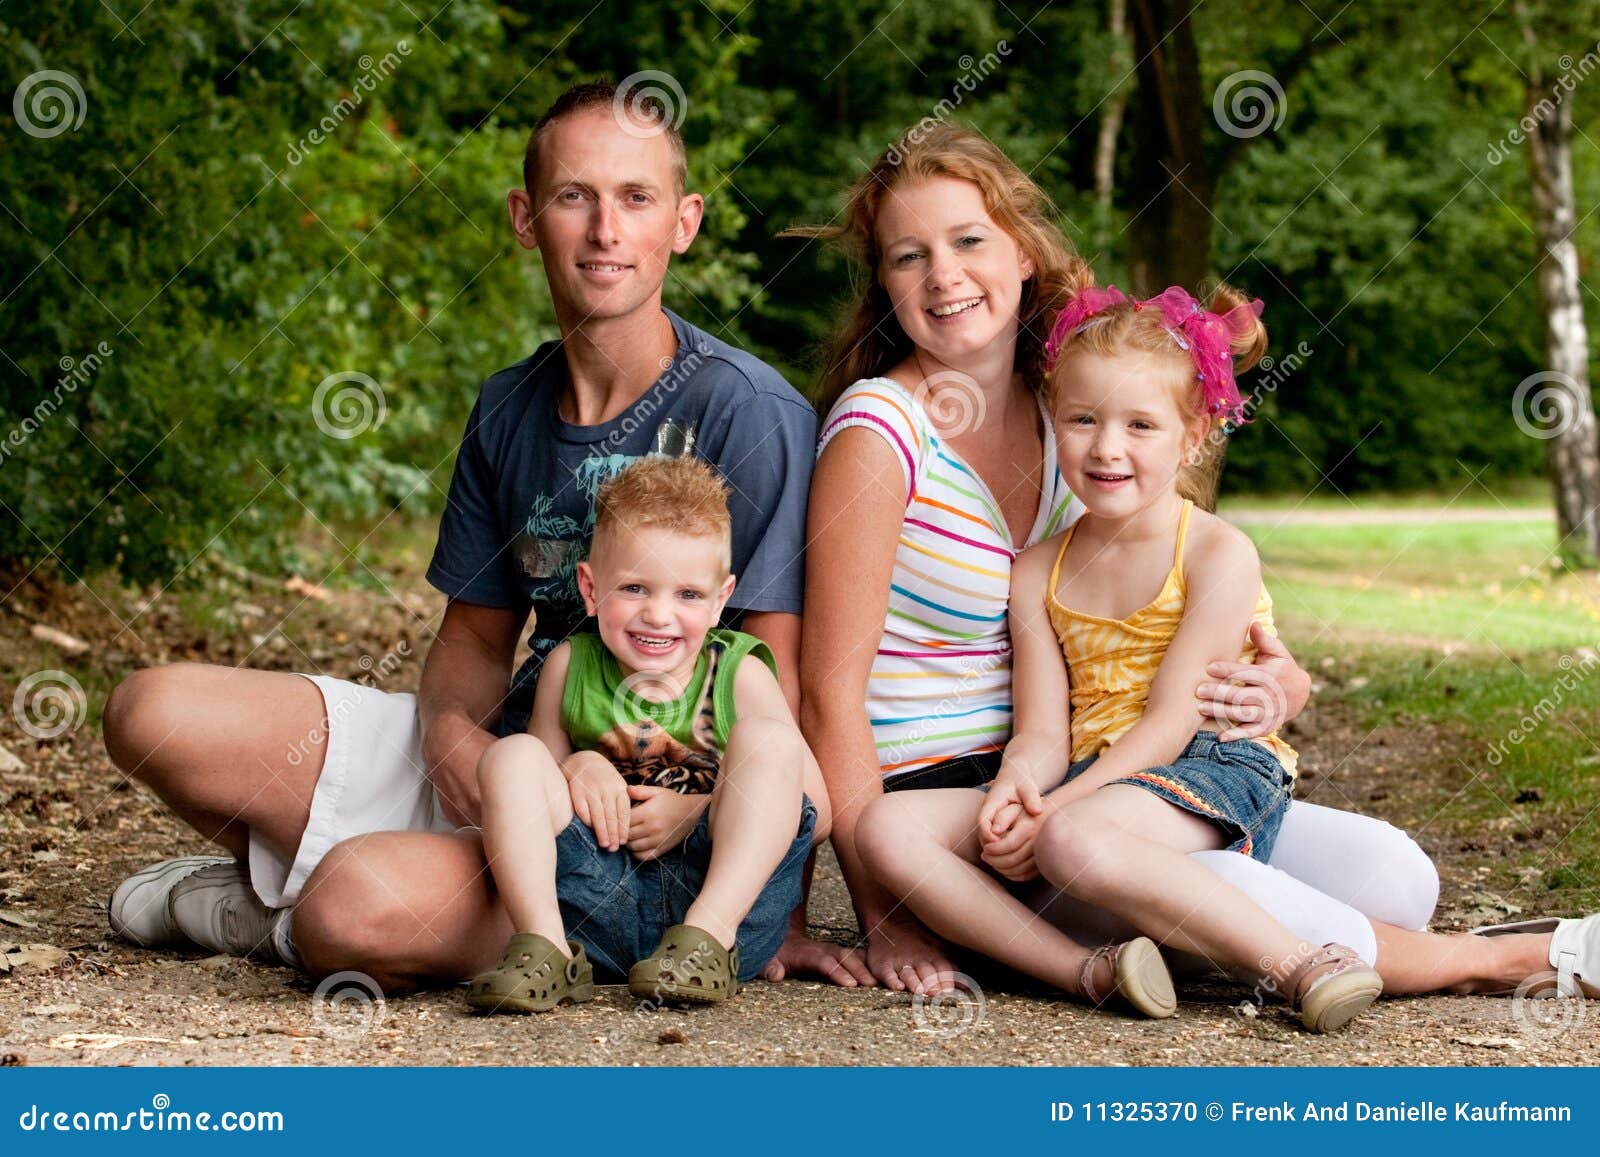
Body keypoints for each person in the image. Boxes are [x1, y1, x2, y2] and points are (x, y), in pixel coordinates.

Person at [100, 79, 831, 992]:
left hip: (619, 825)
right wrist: (456, 742)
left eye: (635, 198)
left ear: (683, 223)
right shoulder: (507, 407)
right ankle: (323, 879)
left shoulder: (747, 412)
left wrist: (773, 909)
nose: (606, 230)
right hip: (517, 757)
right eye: (575, 196)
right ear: (527, 218)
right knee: (149, 711)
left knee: (347, 909)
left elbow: (769, 680)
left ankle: (269, 911)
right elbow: (474, 641)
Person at [792, 124, 1441, 999]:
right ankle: (1506, 958)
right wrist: (891, 912)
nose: (944, 274)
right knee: (1258, 902)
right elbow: (828, 689)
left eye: (969, 240)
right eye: (909, 256)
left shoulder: (1076, 401)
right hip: (960, 801)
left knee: (1401, 878)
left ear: (1022, 254)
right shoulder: (880, 434)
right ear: (886, 284)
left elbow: (1194, 588)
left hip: (1101, 774)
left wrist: (1280, 681)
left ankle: (1183, 917)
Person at [859, 281, 1598, 1017]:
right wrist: (1019, 787)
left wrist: (1054, 811)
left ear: (1194, 437)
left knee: (1403, 882)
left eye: (1140, 425)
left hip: (1203, 769)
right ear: (1055, 420)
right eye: (1083, 419)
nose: (1107, 447)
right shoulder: (1037, 570)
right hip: (1101, 791)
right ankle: (1099, 963)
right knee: (886, 827)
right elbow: (1044, 730)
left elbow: (1168, 725)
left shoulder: (1216, 552)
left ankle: (1295, 959)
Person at [467, 456, 824, 1012]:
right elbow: (538, 789)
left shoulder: (739, 673)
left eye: (687, 595)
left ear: (720, 600)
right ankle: (545, 949)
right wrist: (575, 767)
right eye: (634, 587)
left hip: (722, 908)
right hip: (595, 902)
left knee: (770, 742)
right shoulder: (568, 666)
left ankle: (706, 939)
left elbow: (816, 808)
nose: (658, 615)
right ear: (590, 588)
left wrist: (697, 811)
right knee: (512, 756)